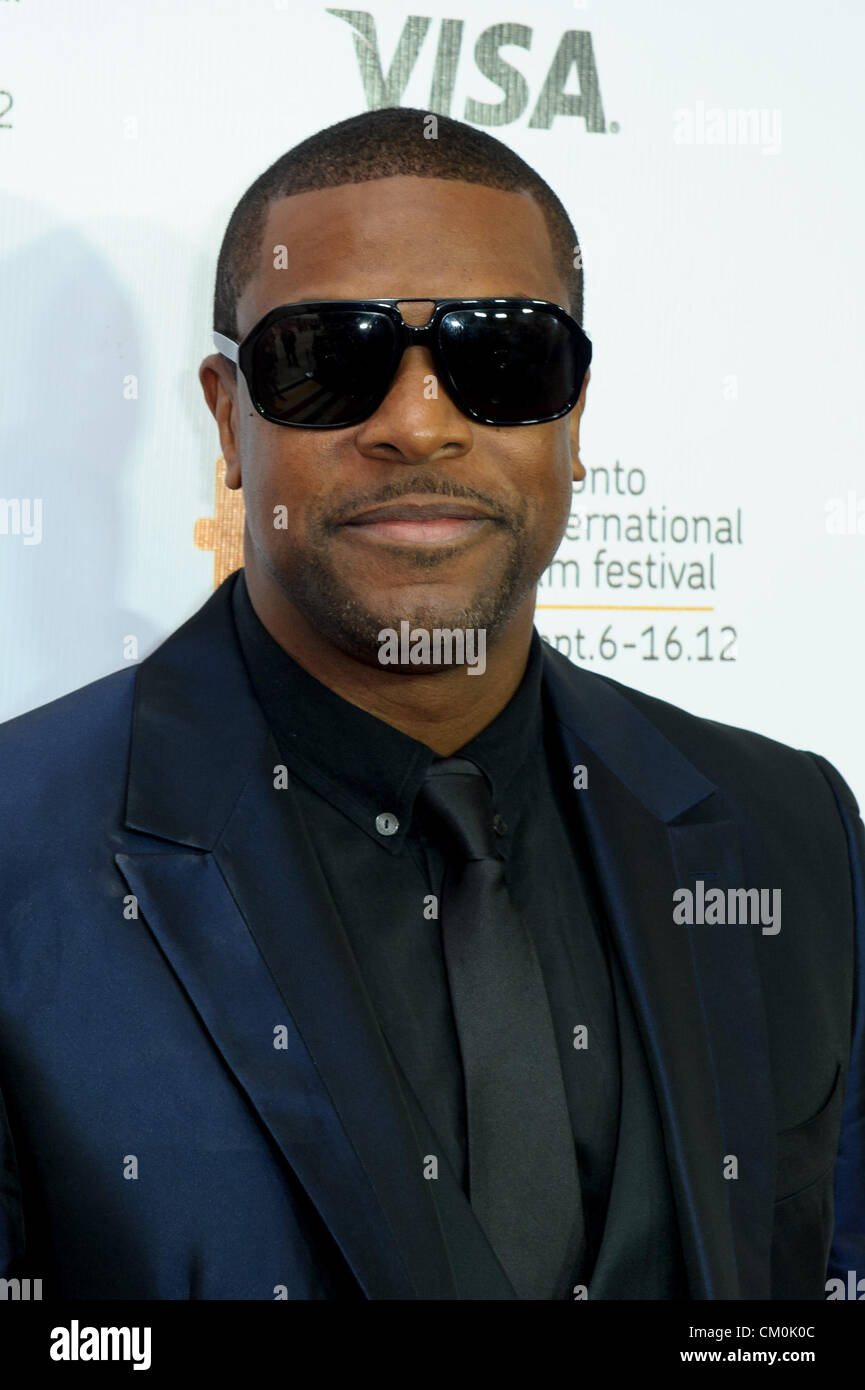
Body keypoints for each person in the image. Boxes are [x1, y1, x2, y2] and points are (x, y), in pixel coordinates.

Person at [0, 106, 862, 1301]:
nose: (417, 422)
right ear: (228, 421)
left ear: (573, 413)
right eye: (325, 358)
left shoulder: (788, 827)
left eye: (503, 357)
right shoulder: (18, 847)